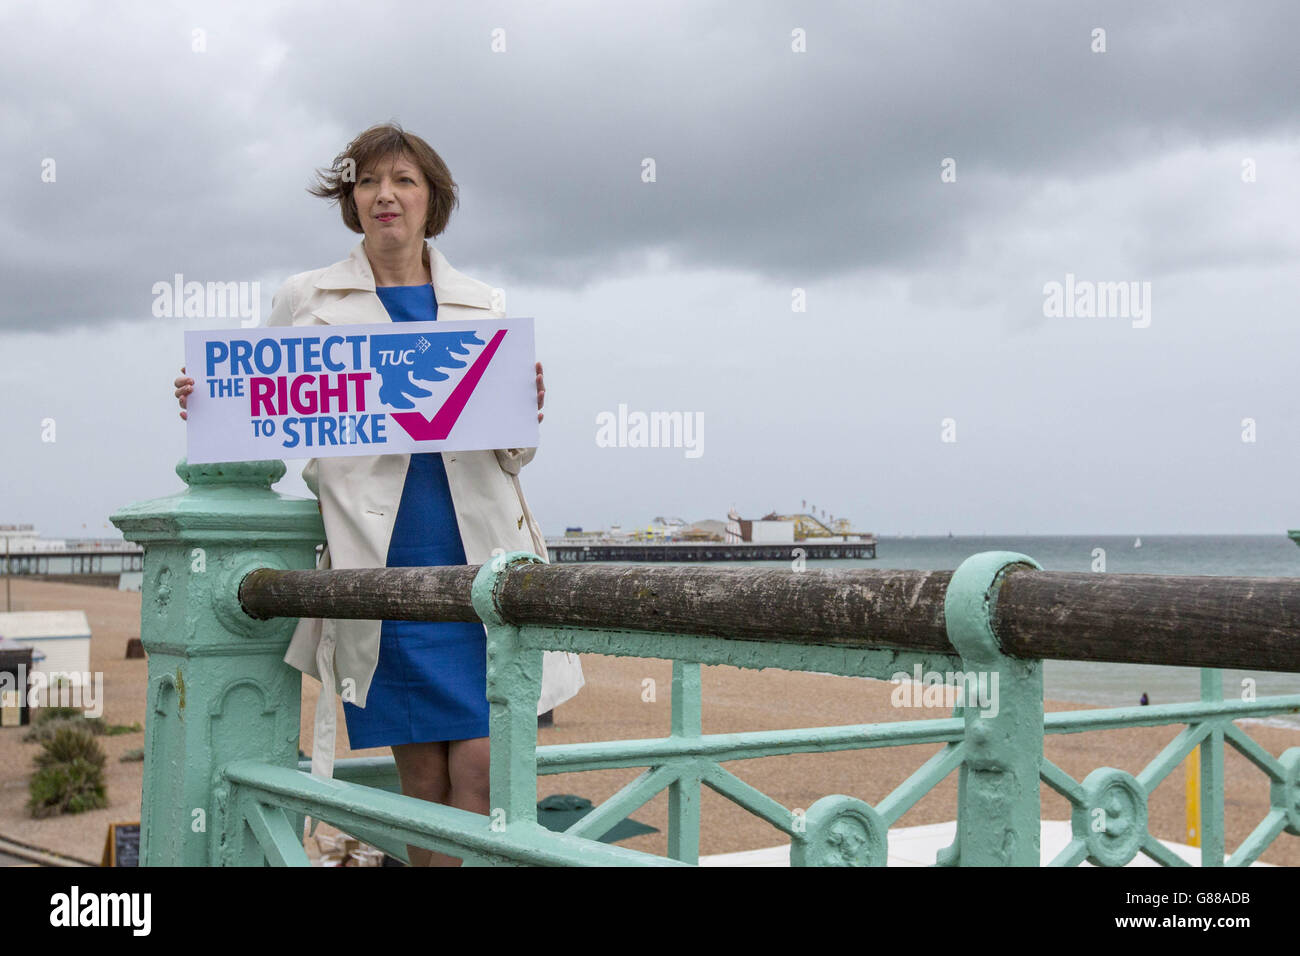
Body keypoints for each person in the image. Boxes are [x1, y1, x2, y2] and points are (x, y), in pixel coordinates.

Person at [173, 123, 583, 866]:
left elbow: (513, 456)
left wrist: (528, 407)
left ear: (434, 199)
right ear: (350, 198)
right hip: (382, 574)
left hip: (481, 568)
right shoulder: (306, 296)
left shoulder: (481, 301)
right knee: (422, 779)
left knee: (484, 770)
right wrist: (212, 403)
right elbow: (264, 415)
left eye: (403, 181)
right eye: (367, 181)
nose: (384, 196)